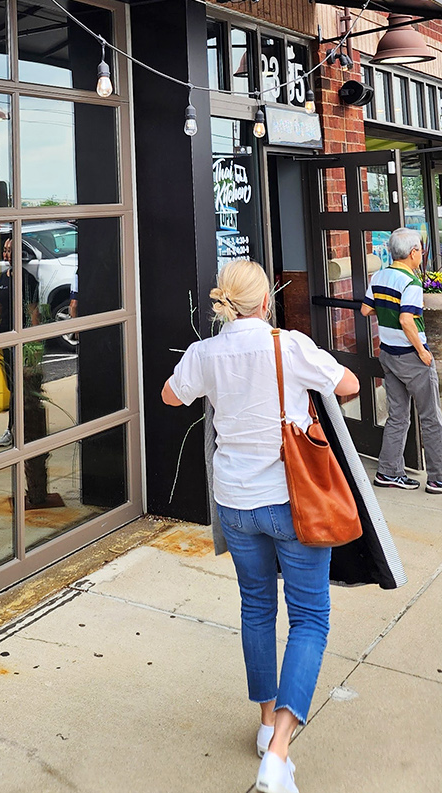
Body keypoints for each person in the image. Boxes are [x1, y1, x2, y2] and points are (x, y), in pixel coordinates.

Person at [162, 259, 359, 793]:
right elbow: (349, 384)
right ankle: (278, 753)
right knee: (311, 619)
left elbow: (170, 396)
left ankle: (267, 720)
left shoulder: (205, 353)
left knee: (256, 608)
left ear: (225, 305)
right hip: (292, 501)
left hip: (235, 501)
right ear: (266, 303)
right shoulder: (288, 346)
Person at [361, 226, 442, 494]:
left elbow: (366, 309)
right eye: (419, 249)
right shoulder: (411, 282)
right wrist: (422, 352)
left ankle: (388, 471)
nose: (421, 254)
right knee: (431, 417)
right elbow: (408, 319)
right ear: (412, 253)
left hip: (388, 353)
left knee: (398, 416)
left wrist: (387, 311)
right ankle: (437, 478)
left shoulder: (380, 275)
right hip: (411, 356)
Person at [0, 237, 39, 449]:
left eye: (10, 250)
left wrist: (34, 343)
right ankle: (17, 428)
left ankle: (13, 430)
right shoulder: (2, 277)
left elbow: (34, 312)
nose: (6, 254)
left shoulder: (28, 279)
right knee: (12, 385)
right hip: (5, 337)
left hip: (21, 339)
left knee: (19, 387)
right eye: (4, 250)